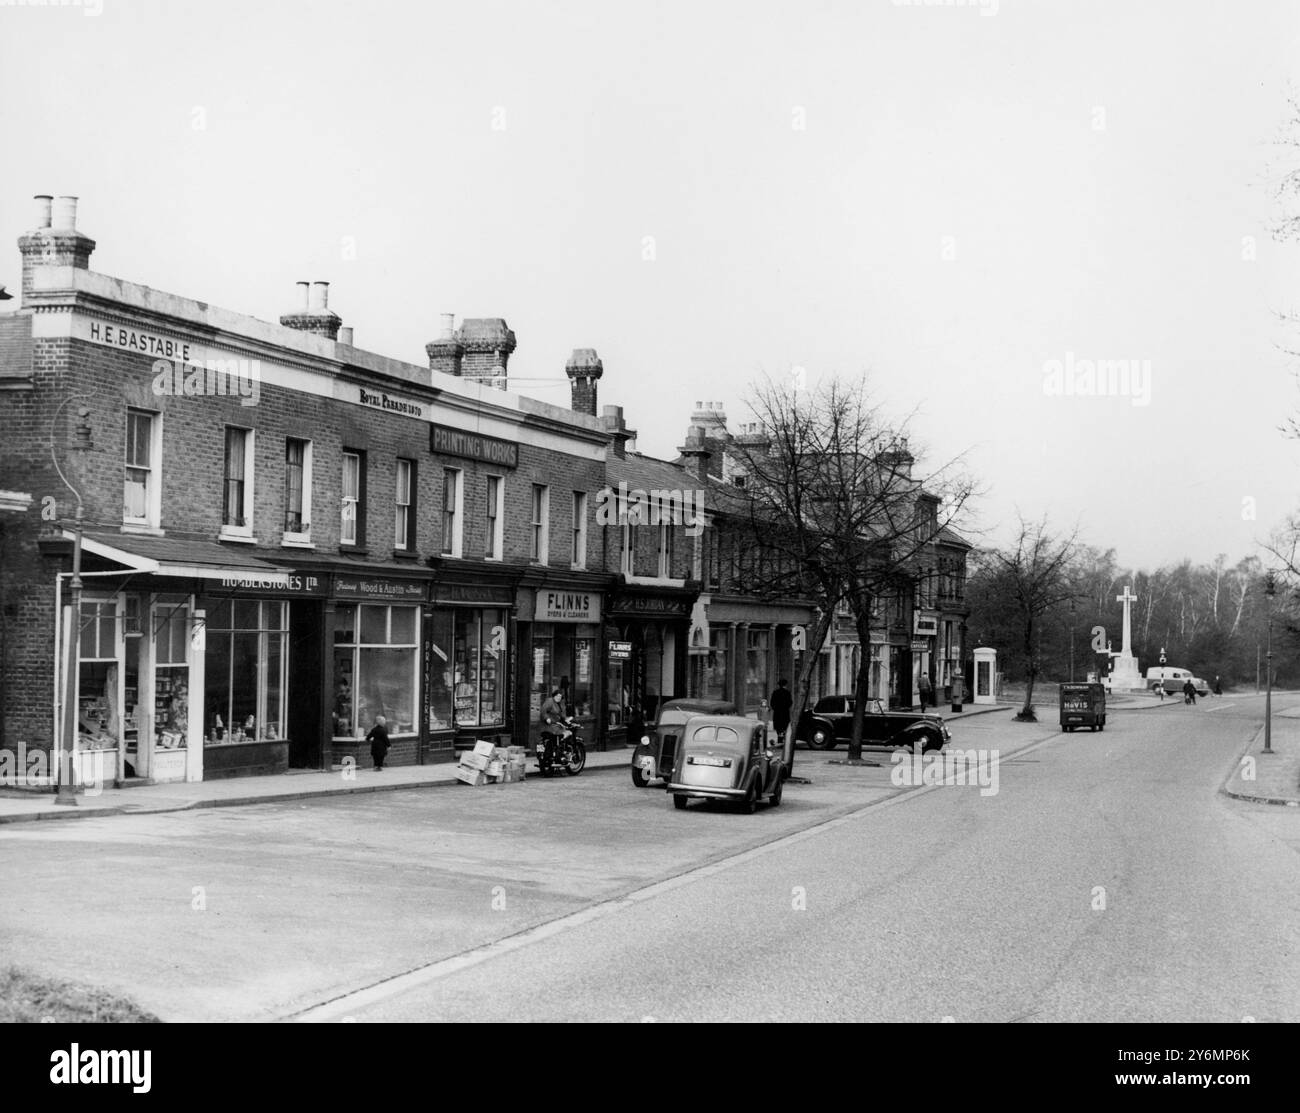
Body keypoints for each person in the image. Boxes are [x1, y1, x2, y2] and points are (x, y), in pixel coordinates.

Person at [539, 686, 570, 764]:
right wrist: (547, 718)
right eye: (557, 696)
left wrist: (566, 719)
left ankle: (559, 751)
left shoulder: (559, 704)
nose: (559, 698)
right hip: (549, 725)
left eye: (560, 696)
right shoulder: (550, 701)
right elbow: (543, 710)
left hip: (555, 724)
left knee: (565, 734)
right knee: (563, 734)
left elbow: (561, 713)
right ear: (554, 695)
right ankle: (557, 752)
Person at [770, 679, 793, 747]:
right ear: (785, 685)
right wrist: (786, 707)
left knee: (778, 726)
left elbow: (772, 703)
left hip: (777, 712)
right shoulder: (787, 692)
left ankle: (780, 738)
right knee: (785, 725)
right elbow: (790, 702)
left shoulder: (775, 692)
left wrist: (775, 708)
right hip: (785, 712)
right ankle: (784, 738)